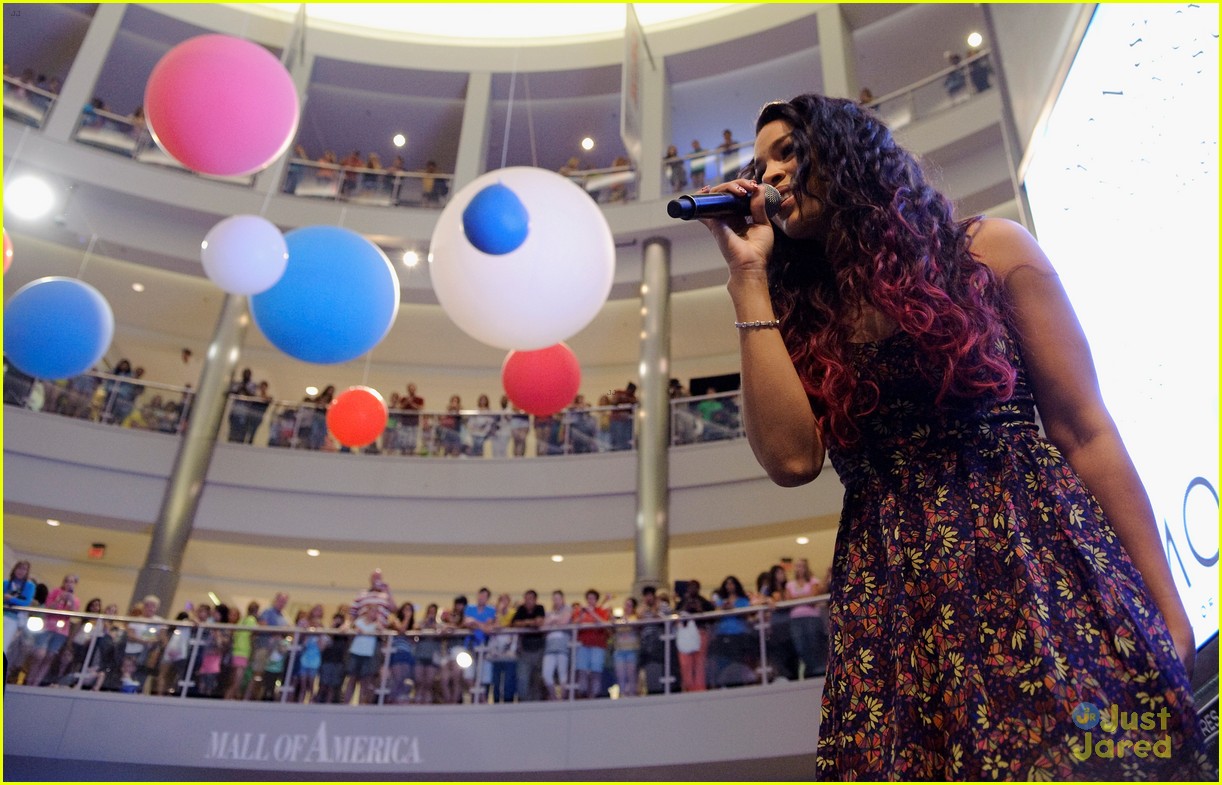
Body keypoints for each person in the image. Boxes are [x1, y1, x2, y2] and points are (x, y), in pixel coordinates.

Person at [695, 93, 1208, 779]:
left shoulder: (989, 250)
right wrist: (748, 277)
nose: (770, 176)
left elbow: (1086, 432)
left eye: (788, 151)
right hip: (897, 602)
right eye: (759, 166)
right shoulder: (804, 320)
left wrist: (1169, 608)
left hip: (1033, 565)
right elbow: (791, 459)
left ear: (849, 152)